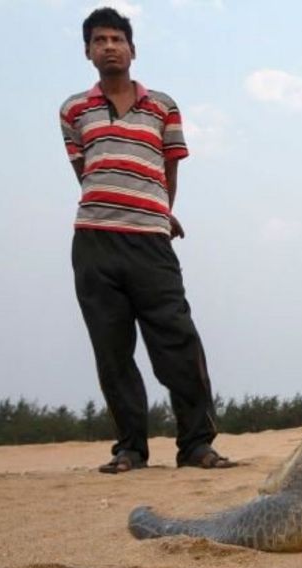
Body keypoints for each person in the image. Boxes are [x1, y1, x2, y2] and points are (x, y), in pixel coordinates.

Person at [60, 7, 236, 473]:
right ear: (88, 52)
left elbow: (167, 169)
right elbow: (86, 172)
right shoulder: (73, 110)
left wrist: (163, 212)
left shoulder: (162, 105)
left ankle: (197, 444)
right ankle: (130, 449)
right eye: (100, 40)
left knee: (177, 339)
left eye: (117, 39)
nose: (109, 46)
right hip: (94, 242)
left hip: (151, 242)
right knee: (112, 349)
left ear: (132, 50)